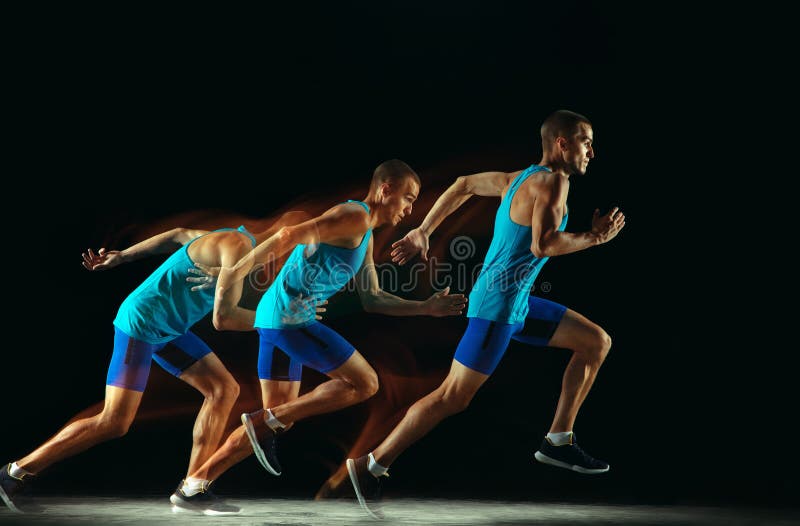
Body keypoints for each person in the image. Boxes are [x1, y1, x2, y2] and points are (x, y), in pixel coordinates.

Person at [346, 110, 625, 519]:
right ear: (562, 143)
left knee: (595, 342)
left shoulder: (518, 178)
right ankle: (371, 465)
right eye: (586, 142)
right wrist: (595, 237)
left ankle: (558, 440)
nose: (592, 152)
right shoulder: (553, 182)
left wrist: (424, 230)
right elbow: (544, 245)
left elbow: (463, 185)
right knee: (451, 397)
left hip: (516, 303)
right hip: (498, 307)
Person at [180, 159, 467, 505]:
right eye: (408, 197)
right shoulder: (354, 216)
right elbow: (288, 235)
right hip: (289, 321)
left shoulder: (364, 233)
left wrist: (425, 307)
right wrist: (233, 271)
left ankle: (193, 486)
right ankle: (262, 421)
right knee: (365, 384)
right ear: (385, 189)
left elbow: (372, 298)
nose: (410, 208)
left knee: (274, 423)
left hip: (274, 321)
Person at [0, 218, 302, 516]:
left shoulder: (239, 250)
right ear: (280, 241)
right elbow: (223, 319)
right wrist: (283, 319)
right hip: (141, 325)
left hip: (168, 330)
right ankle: (14, 473)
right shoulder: (237, 246)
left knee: (223, 390)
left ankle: (192, 488)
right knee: (114, 421)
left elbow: (178, 234)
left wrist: (122, 256)